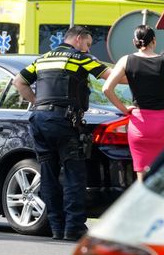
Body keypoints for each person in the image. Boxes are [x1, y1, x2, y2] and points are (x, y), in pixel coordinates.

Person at [12, 25, 110, 241]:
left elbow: (18, 81)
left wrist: (36, 102)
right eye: (87, 44)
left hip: (39, 120)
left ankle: (56, 227)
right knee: (74, 174)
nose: (88, 49)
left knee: (48, 175)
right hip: (64, 122)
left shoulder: (42, 59)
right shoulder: (80, 58)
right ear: (78, 38)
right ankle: (73, 228)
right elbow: (112, 76)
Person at [102, 26, 164, 179]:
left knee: (142, 178)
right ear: (154, 41)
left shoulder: (126, 60)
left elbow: (106, 89)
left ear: (134, 42)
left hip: (140, 126)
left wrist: (124, 109)